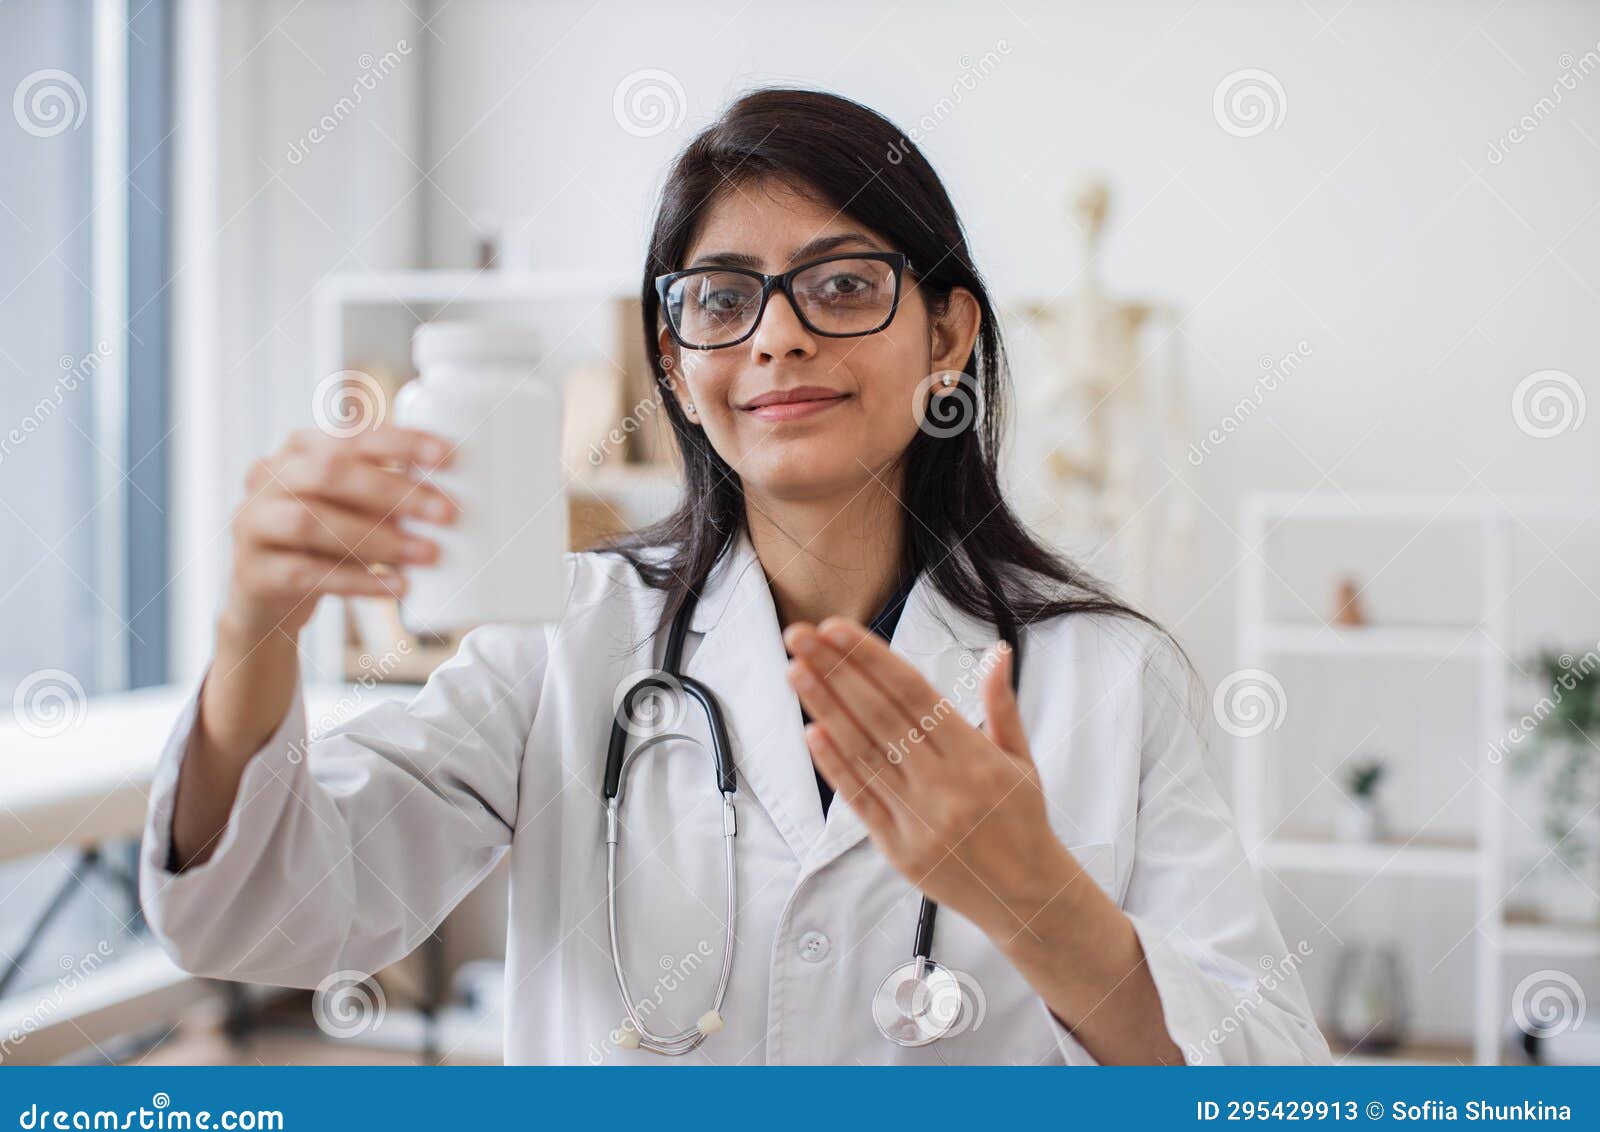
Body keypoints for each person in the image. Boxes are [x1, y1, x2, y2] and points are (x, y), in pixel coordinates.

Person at [137, 88, 1328, 1065]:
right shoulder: (565, 637)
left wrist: (1041, 904)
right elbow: (262, 913)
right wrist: (258, 631)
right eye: (720, 298)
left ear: (949, 336)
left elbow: (1273, 1089)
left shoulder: (1107, 677)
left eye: (845, 283)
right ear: (674, 357)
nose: (776, 336)